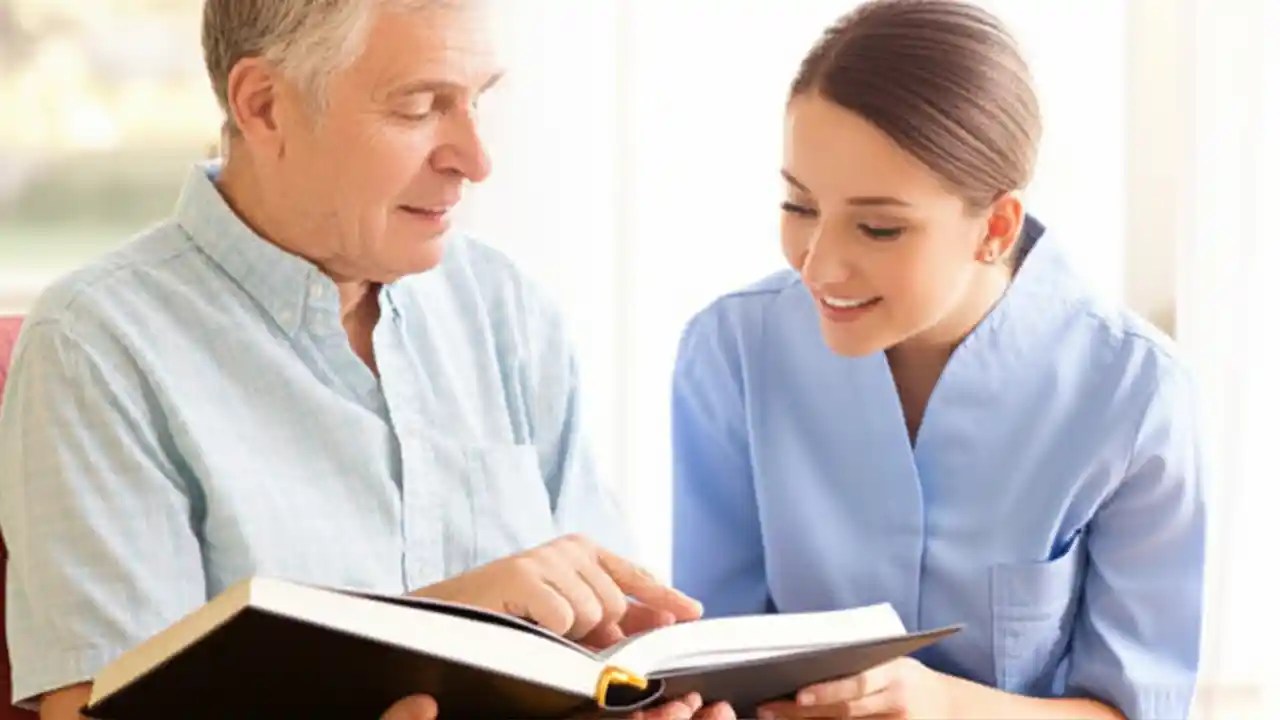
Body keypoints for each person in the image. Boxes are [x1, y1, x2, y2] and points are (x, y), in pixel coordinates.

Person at [0, 1, 733, 718]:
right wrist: (440, 630)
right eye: (420, 108)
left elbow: (614, 650)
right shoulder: (97, 346)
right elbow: (97, 712)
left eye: (479, 100)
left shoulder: (506, 309)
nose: (476, 160)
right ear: (264, 107)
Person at [671, 1, 1206, 719]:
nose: (820, 264)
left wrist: (943, 706)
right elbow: (713, 659)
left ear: (995, 226)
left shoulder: (1135, 394)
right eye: (799, 206)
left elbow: (1140, 709)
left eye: (879, 227)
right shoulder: (731, 352)